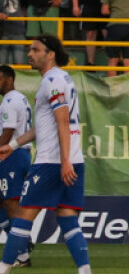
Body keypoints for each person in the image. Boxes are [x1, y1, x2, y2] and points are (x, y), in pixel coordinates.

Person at [2, 37, 86, 274]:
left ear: (50, 54)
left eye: (35, 50)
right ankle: (85, 271)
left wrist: (64, 160)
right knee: (68, 219)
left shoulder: (52, 80)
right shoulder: (61, 78)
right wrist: (13, 145)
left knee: (22, 215)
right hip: (72, 160)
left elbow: (62, 122)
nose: (29, 54)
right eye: (29, 50)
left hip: (52, 161)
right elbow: (45, 126)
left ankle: (4, 267)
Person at [0, 67, 28, 272]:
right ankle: (22, 244)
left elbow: (7, 133)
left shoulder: (9, 101)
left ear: (9, 79)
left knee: (10, 202)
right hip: (19, 154)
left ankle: (22, 254)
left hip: (11, 154)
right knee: (4, 201)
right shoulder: (20, 98)